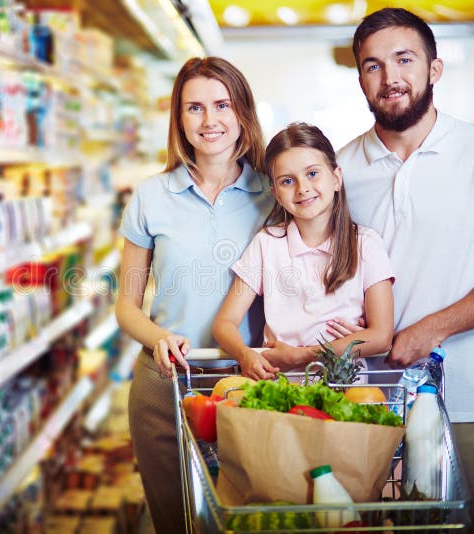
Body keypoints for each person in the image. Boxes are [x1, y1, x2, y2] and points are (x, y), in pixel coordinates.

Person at [337, 8, 474, 534]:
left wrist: (432, 329)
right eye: (373, 65)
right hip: (361, 401)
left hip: (462, 400)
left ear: (434, 69)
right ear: (360, 78)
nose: (390, 77)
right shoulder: (339, 172)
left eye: (404, 59)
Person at [115, 56, 272, 533]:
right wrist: (158, 337)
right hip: (167, 387)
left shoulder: (275, 194)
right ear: (179, 119)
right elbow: (126, 305)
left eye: (222, 105)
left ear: (242, 111)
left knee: (252, 522)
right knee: (177, 523)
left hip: (250, 383)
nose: (209, 120)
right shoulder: (151, 196)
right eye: (194, 108)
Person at [212, 122, 394, 378]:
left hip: (346, 390)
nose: (302, 188)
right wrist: (245, 355)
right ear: (276, 194)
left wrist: (304, 355)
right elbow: (224, 322)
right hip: (278, 388)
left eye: (312, 173)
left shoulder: (365, 243)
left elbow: (381, 337)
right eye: (287, 181)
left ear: (336, 178)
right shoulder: (267, 243)